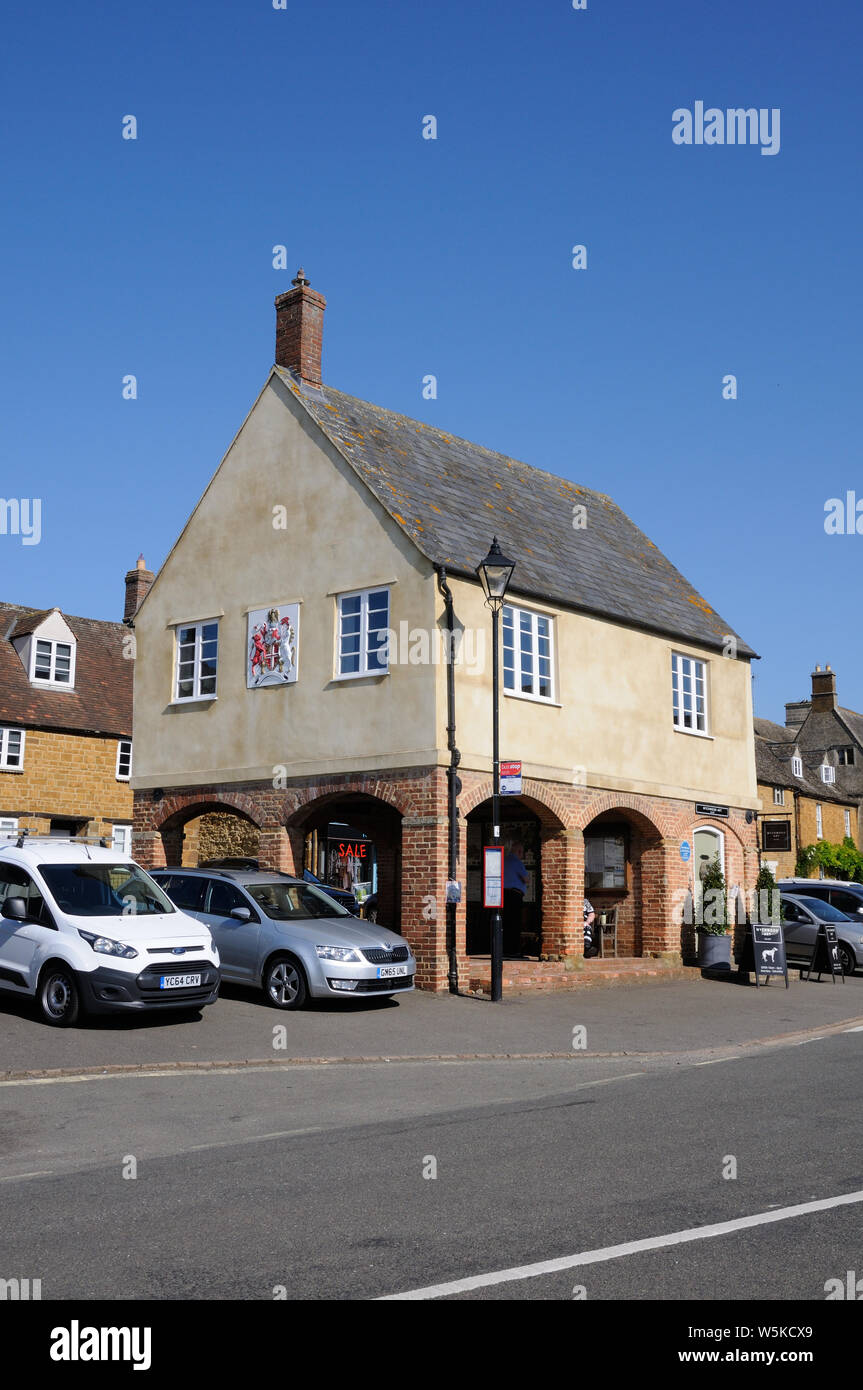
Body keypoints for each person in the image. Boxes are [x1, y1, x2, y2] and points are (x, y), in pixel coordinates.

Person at [503, 841, 528, 956]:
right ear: (519, 852)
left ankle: (506, 949)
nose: (523, 855)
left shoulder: (505, 860)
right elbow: (526, 879)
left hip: (504, 894)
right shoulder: (517, 862)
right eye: (522, 852)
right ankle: (513, 950)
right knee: (515, 923)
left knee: (507, 923)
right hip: (514, 895)